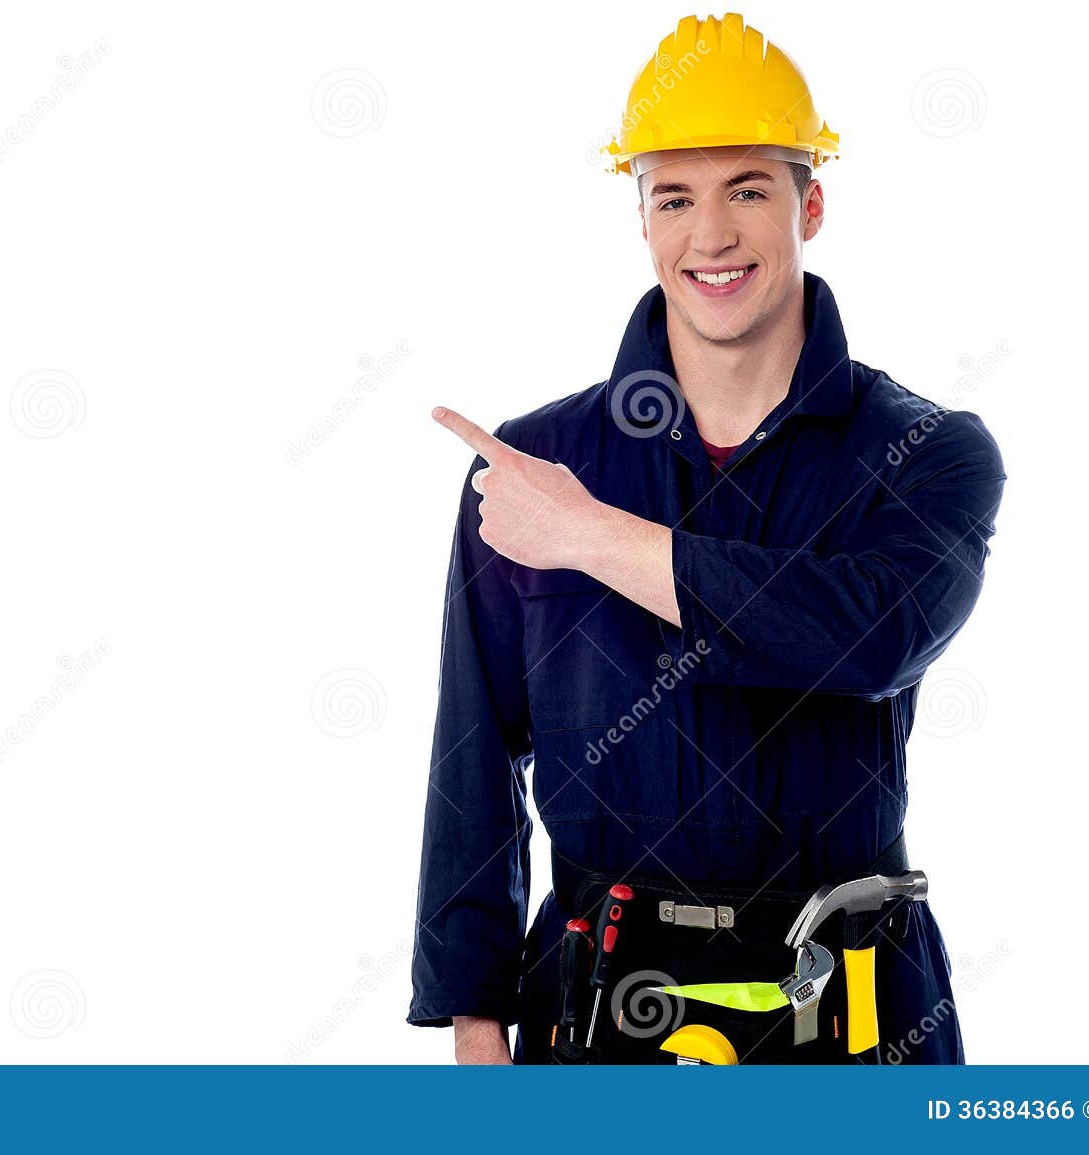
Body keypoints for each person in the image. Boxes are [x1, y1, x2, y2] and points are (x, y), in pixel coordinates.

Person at [408, 12, 1006, 1064]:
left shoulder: (927, 453)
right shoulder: (531, 467)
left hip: (855, 1008)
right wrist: (473, 1015)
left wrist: (594, 539)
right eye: (674, 197)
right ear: (640, 217)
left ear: (809, 203)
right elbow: (473, 749)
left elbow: (864, 638)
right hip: (598, 1007)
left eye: (747, 190)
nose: (711, 236)